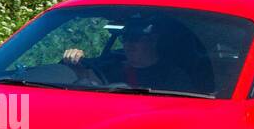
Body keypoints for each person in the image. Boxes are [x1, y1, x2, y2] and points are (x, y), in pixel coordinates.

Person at [62, 20, 195, 91]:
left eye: (135, 38)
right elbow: (92, 86)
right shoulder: (111, 67)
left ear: (153, 41)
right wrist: (77, 67)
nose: (127, 44)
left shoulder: (173, 76)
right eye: (125, 38)